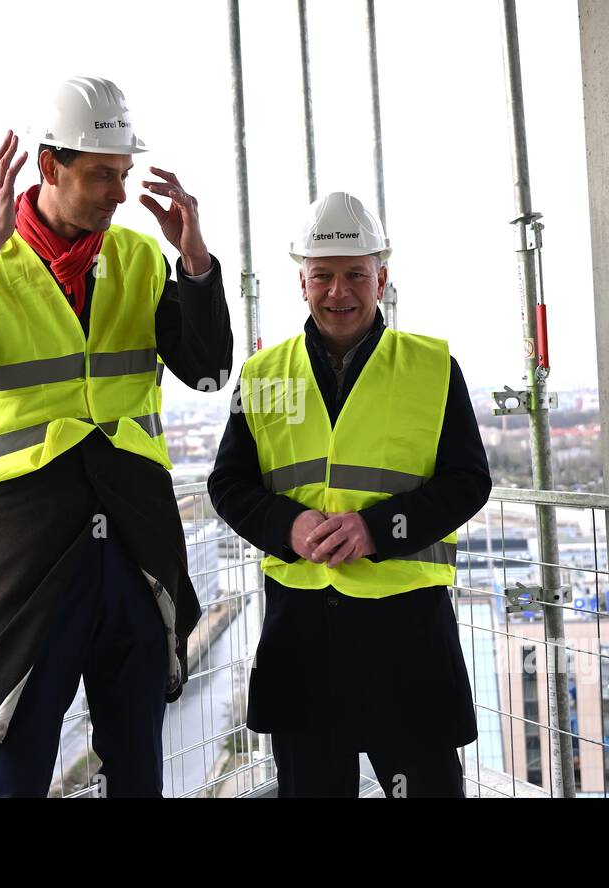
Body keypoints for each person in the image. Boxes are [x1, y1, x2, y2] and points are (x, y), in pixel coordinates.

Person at [0, 75, 233, 797]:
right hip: (34, 547)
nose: (118, 191)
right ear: (50, 168)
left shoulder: (140, 259)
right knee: (19, 759)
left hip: (137, 537)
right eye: (101, 174)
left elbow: (207, 373)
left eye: (124, 173)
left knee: (138, 757)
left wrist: (196, 266)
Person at [207, 191, 492, 798]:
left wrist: (376, 530)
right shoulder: (261, 376)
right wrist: (288, 527)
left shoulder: (434, 367)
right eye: (324, 276)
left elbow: (469, 482)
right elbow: (227, 484)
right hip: (304, 640)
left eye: (355, 275)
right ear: (301, 283)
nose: (339, 292)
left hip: (406, 640)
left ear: (381, 277)